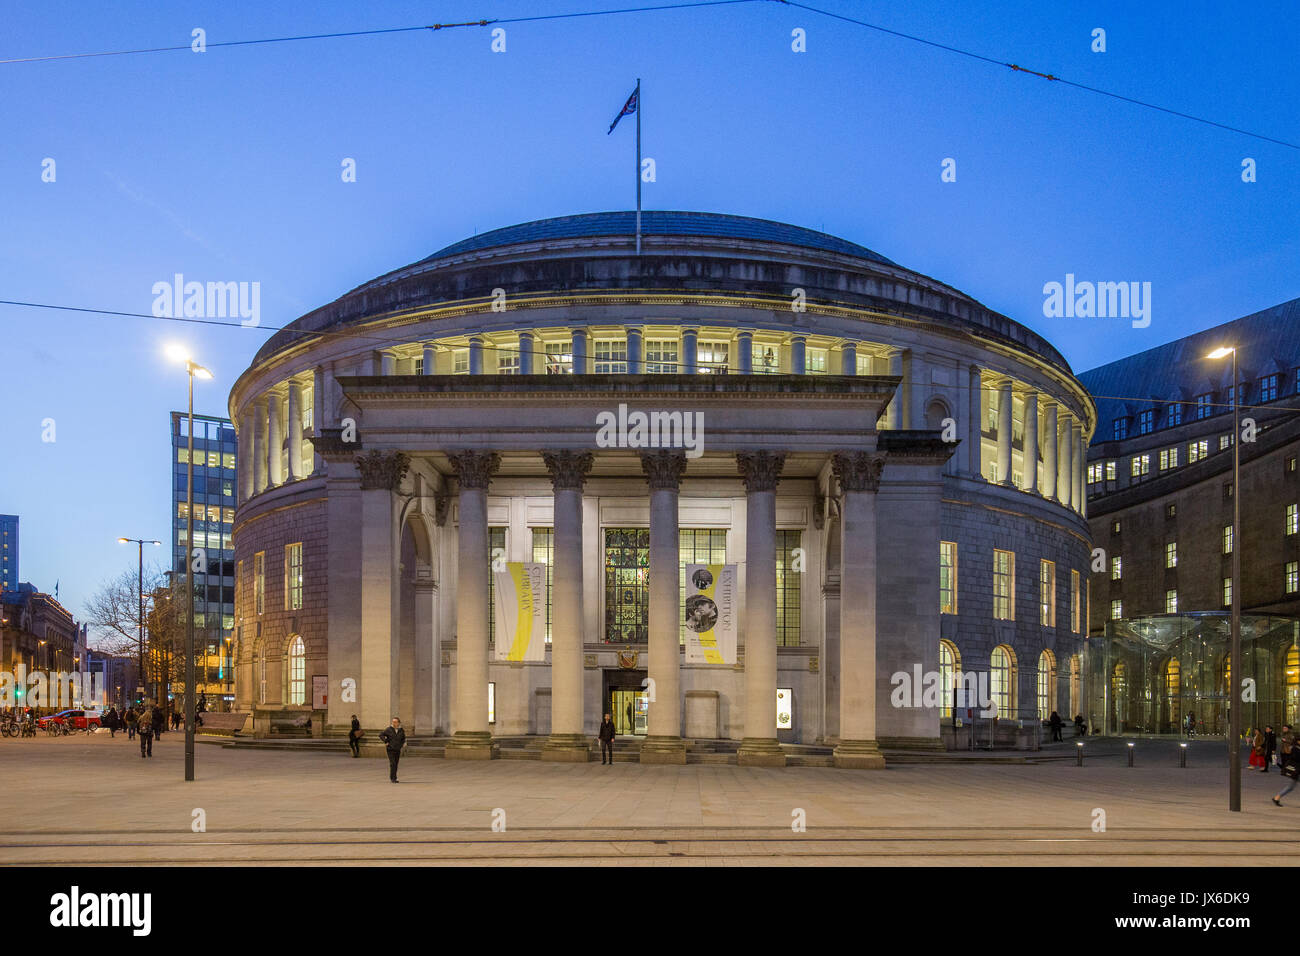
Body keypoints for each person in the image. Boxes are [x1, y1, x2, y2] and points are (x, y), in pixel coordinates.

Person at [377, 717, 406, 783]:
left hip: (397, 749)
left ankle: (394, 777)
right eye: (393, 722)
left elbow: (403, 738)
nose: (394, 723)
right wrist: (385, 741)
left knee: (396, 763)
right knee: (392, 763)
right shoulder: (389, 729)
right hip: (390, 749)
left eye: (395, 722)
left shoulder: (401, 730)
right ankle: (392, 778)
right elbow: (381, 735)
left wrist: (402, 744)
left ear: (399, 723)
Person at [1274, 726, 1298, 805]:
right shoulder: (1296, 749)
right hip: (1297, 770)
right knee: (1291, 786)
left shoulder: (1294, 746)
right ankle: (1277, 797)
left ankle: (1277, 797)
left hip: (1296, 771)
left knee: (1291, 786)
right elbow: (1295, 758)